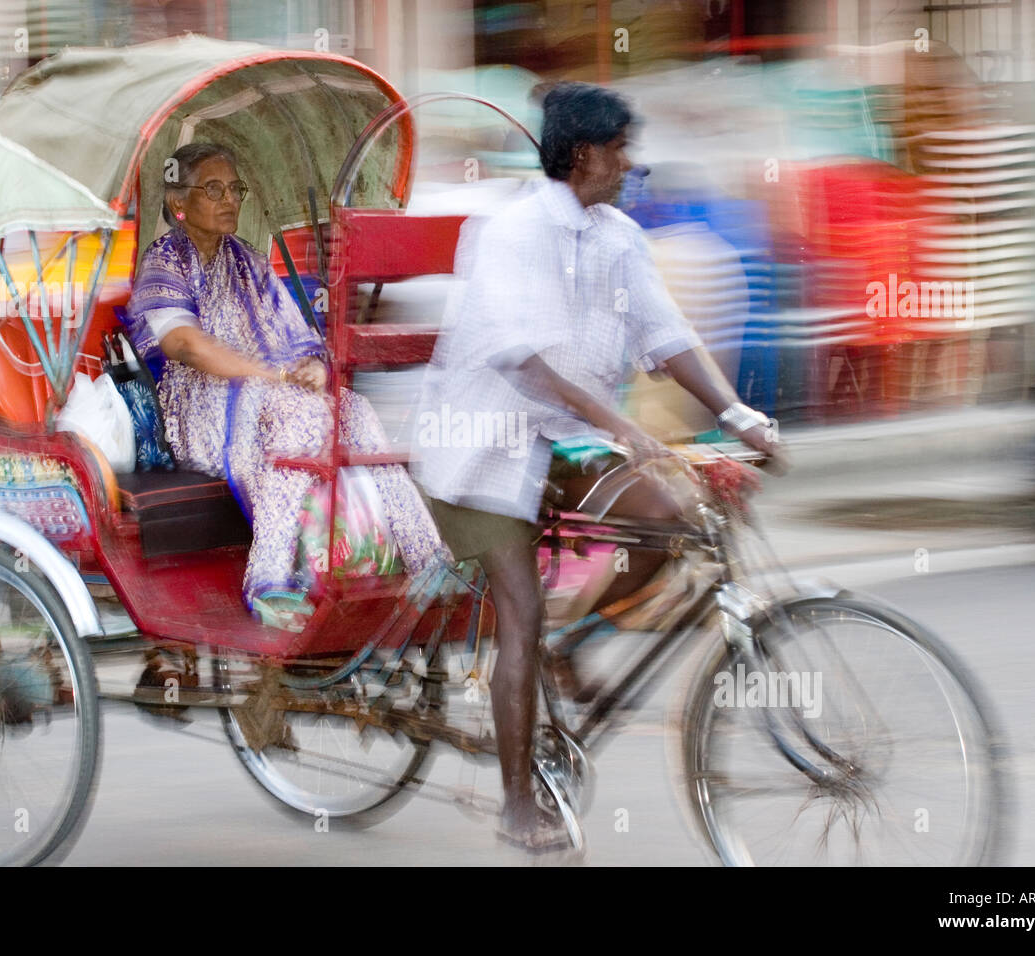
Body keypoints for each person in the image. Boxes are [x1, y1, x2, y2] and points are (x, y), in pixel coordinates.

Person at [411, 83, 784, 851]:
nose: (629, 164)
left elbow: (667, 333)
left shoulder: (615, 236)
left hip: (568, 441)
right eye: (619, 149)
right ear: (583, 154)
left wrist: (737, 415)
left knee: (671, 521)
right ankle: (518, 803)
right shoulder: (513, 231)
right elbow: (525, 361)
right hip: (482, 443)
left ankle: (568, 643)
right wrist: (623, 426)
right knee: (518, 610)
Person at [127, 142, 448, 630]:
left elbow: (298, 336)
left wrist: (312, 369)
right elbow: (185, 345)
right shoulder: (164, 261)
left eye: (236, 189)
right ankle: (268, 581)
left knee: (353, 408)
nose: (229, 199)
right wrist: (272, 376)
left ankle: (428, 557)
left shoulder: (249, 262)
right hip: (195, 404)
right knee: (294, 413)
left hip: (266, 396)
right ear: (179, 204)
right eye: (213, 190)